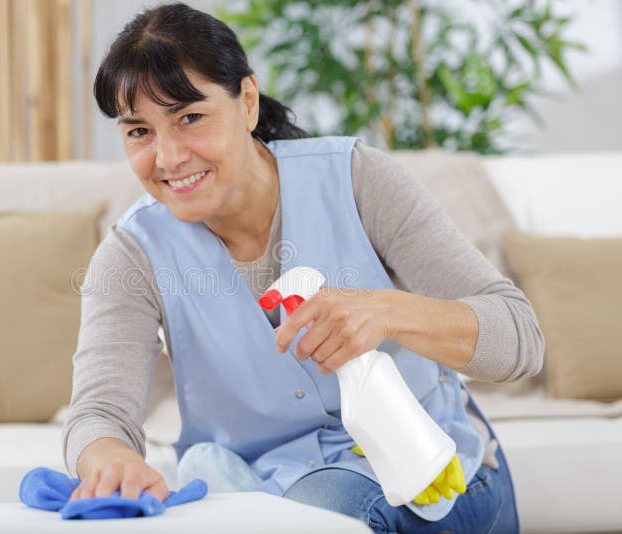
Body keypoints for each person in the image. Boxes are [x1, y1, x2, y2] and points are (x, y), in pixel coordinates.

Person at [62, 3, 544, 532]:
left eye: (190, 118)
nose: (169, 157)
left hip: (434, 471)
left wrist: (388, 312)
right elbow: (100, 412)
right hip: (261, 486)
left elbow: (518, 338)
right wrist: (111, 460)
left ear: (247, 102)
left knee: (318, 511)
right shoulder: (133, 252)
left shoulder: (358, 180)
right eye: (139, 133)